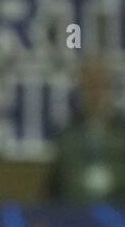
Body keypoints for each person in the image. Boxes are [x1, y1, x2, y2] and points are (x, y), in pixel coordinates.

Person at [48, 59, 125, 204]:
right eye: (90, 86)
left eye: (101, 86)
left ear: (111, 90)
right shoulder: (66, 135)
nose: (96, 94)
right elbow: (55, 187)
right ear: (80, 91)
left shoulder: (122, 132)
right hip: (76, 214)